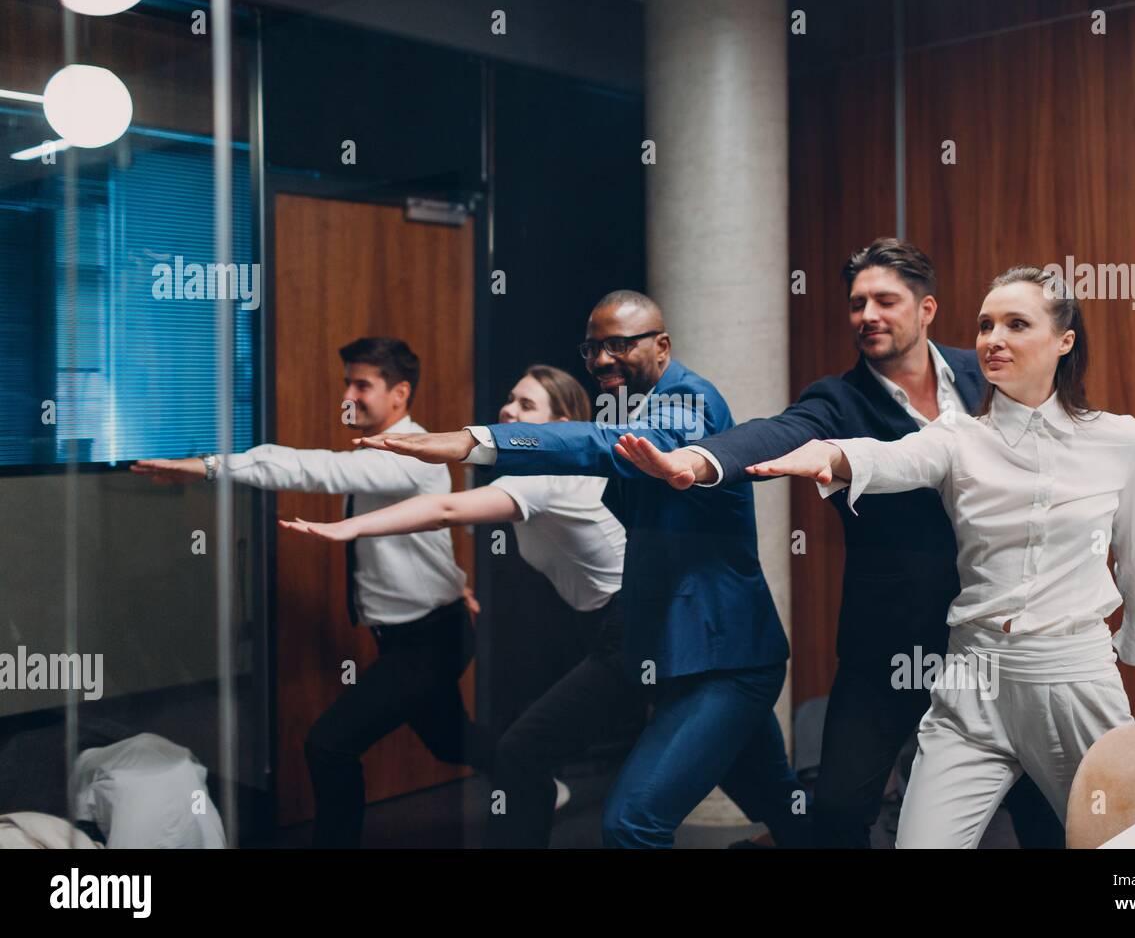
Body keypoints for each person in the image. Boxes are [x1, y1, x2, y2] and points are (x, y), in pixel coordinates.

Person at [613, 238, 1063, 848]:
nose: (867, 316)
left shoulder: (984, 374)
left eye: (884, 300)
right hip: (889, 640)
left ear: (926, 309)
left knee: (1042, 804)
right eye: (856, 304)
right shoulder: (837, 400)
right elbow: (775, 432)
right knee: (839, 811)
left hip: (997, 636)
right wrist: (698, 460)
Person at [355, 290, 812, 848]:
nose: (600, 361)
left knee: (630, 825)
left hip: (723, 661)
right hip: (678, 655)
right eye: (593, 348)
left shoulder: (688, 402)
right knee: (783, 806)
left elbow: (611, 445)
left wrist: (479, 441)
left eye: (619, 344)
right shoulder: (640, 406)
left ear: (662, 345)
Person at [736, 266, 1135, 847]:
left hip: (1074, 681)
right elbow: (891, 459)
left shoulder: (1121, 438)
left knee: (1125, 846)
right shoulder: (957, 437)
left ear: (1064, 342)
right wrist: (830, 454)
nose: (993, 338)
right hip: (972, 683)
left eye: (1016, 324)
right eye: (985, 325)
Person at [131, 336, 478, 848]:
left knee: (329, 745)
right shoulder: (379, 453)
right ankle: (530, 770)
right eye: (347, 384)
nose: (349, 396)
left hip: (431, 639)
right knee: (452, 741)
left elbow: (311, 468)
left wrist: (209, 466)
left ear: (400, 393)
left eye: (363, 385)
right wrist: (456, 581)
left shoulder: (414, 454)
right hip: (414, 632)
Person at [281, 364, 629, 847]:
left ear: (562, 427)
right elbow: (461, 502)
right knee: (469, 744)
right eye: (510, 398)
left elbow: (445, 510)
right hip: (614, 622)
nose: (508, 408)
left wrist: (350, 527)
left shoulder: (547, 477)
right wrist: (455, 583)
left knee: (521, 753)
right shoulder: (531, 474)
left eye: (527, 405)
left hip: (633, 625)